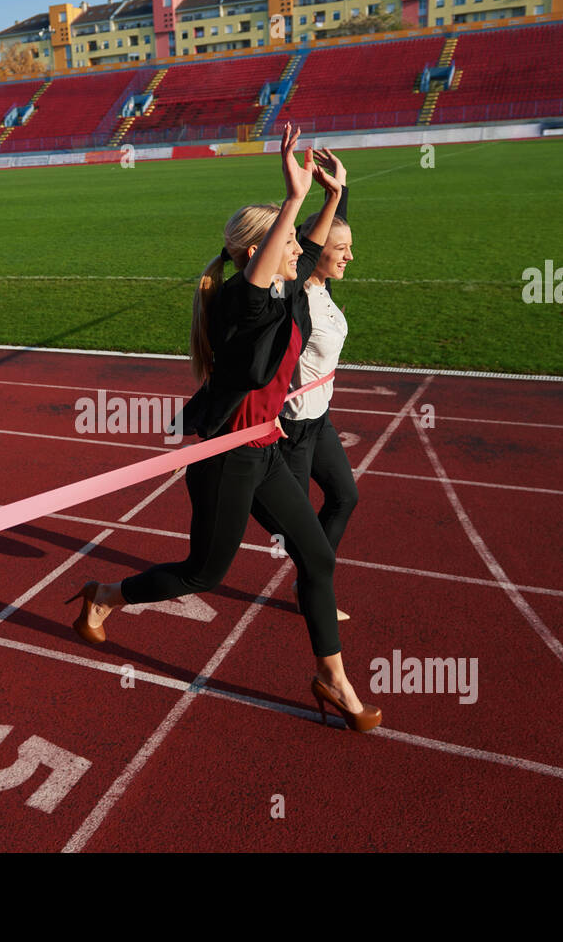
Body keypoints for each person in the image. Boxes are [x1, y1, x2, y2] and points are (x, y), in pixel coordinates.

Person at [67, 126, 380, 732]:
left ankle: (333, 679)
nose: (301, 252)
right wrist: (291, 200)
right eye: (289, 243)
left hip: (264, 447)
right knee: (203, 573)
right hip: (225, 459)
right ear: (261, 253)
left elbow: (307, 249)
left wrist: (333, 196)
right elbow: (273, 265)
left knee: (316, 556)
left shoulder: (286, 287)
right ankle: (106, 596)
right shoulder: (245, 302)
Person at [252, 190, 358, 623]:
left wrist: (341, 190)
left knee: (344, 496)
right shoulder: (297, 300)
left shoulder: (324, 282)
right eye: (341, 249)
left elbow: (331, 232)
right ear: (316, 254)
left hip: (320, 424)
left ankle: (309, 580)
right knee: (294, 530)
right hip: (293, 429)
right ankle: (315, 584)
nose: (350, 256)